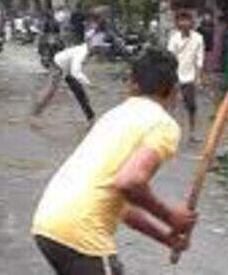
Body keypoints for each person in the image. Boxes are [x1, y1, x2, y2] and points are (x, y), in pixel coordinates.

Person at [32, 48, 197, 274]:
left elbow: (125, 209)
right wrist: (171, 217)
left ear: (131, 85)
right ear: (174, 91)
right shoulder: (163, 124)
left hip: (48, 224)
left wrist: (167, 237)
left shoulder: (115, 115)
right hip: (81, 234)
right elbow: (129, 182)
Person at [32, 42, 96, 123]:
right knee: (49, 92)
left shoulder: (85, 50)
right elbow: (76, 72)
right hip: (58, 66)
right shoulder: (82, 53)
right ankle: (35, 114)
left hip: (66, 68)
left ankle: (91, 117)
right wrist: (89, 84)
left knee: (79, 92)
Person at [167, 10, 205, 143]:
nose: (184, 23)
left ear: (192, 23)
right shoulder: (174, 38)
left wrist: (198, 78)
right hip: (176, 76)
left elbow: (199, 59)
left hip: (190, 77)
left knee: (191, 107)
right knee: (173, 106)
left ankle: (192, 133)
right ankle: (171, 134)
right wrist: (172, 78)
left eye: (187, 20)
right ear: (177, 23)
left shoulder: (198, 38)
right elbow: (170, 59)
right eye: (181, 20)